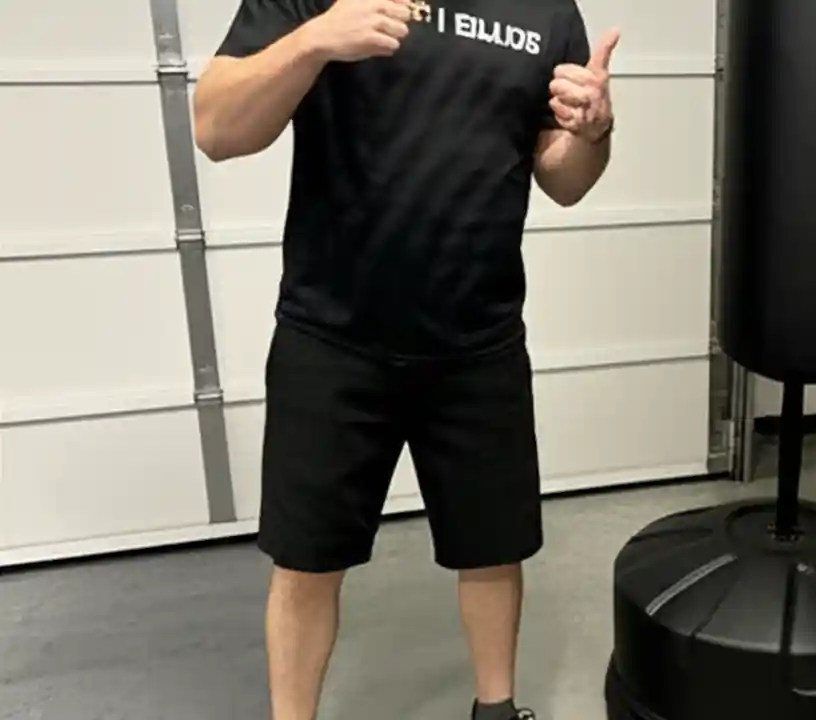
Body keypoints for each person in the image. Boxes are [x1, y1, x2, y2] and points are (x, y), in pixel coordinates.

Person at [193, 1, 617, 718]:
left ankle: (496, 710)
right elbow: (215, 128)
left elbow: (564, 177)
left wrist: (593, 130)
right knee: (307, 559)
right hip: (333, 336)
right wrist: (315, 41)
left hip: (478, 340)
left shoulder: (546, 9)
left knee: (493, 547)